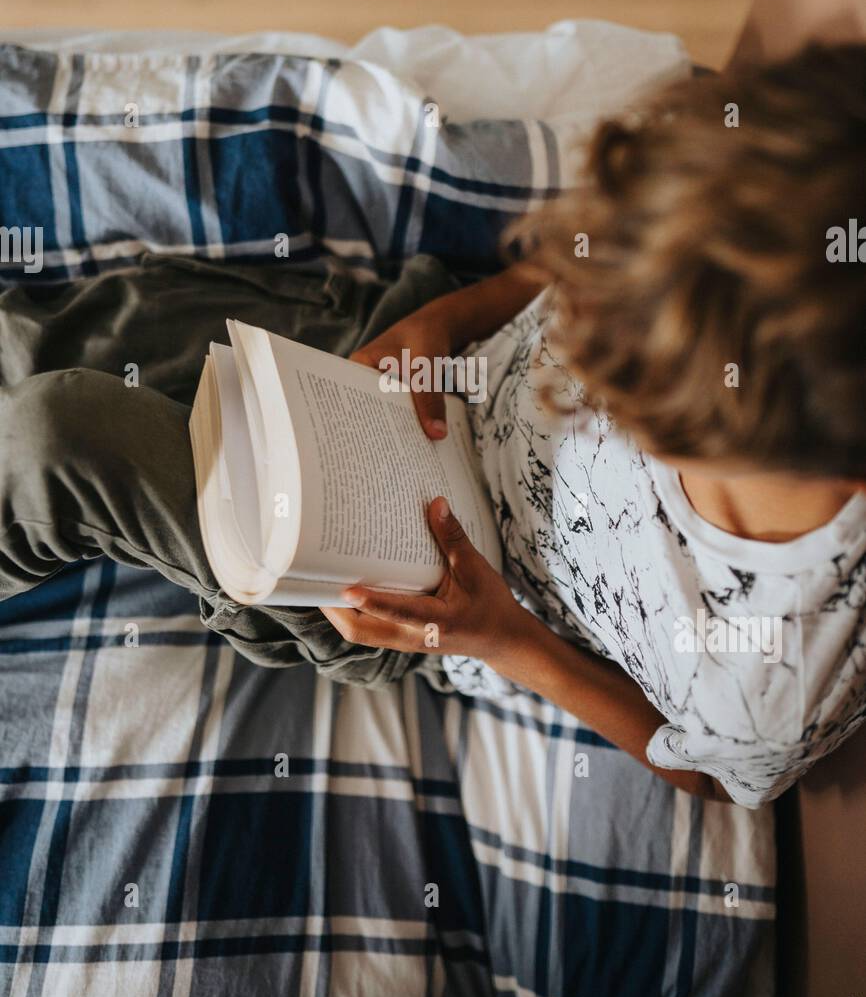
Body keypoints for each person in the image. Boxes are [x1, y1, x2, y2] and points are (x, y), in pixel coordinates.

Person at [1, 41, 863, 808]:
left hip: (421, 586)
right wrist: (444, 322)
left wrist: (500, 637)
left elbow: (707, 772)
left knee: (60, 437)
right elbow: (585, 262)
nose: (588, 344)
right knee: (39, 341)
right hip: (390, 352)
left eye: (622, 378)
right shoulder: (762, 220)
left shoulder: (778, 672)